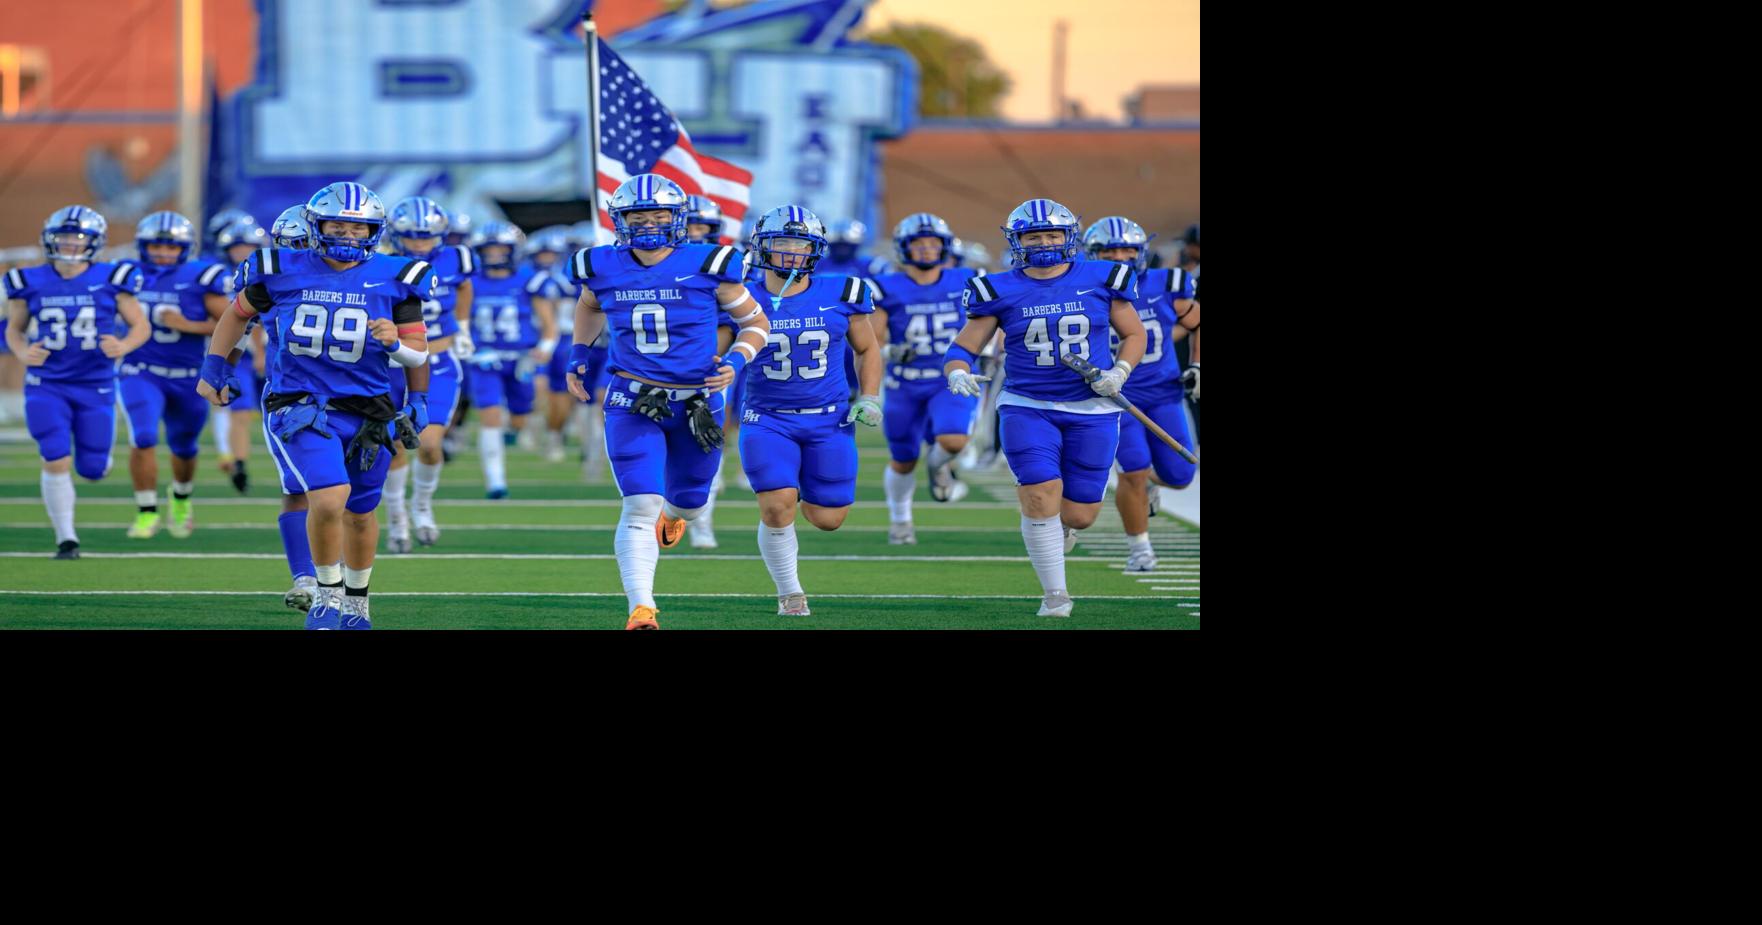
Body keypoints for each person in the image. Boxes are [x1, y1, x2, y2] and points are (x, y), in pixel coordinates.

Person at [199, 182, 433, 630]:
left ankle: (358, 604)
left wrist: (398, 352)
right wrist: (215, 366)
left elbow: (419, 353)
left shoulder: (398, 276)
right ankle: (326, 594)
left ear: (374, 230)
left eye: (357, 227)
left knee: (361, 514)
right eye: (337, 225)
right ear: (316, 225)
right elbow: (236, 314)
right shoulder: (278, 269)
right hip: (300, 404)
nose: (347, 235)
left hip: (369, 410)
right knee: (328, 499)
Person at [563, 173, 770, 630]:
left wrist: (737, 359)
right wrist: (579, 353)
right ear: (620, 221)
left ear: (679, 219)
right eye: (639, 216)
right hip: (631, 399)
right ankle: (642, 607)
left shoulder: (710, 263)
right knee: (640, 503)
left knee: (691, 502)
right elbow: (588, 304)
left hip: (698, 402)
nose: (650, 224)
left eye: (659, 215)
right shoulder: (600, 265)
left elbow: (756, 322)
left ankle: (677, 517)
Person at [942, 198, 1145, 618]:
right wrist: (958, 370)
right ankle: (1056, 595)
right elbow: (964, 346)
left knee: (1081, 514)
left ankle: (1064, 530)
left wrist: (1121, 371)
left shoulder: (1104, 277)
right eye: (1034, 235)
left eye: (1052, 233)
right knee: (1037, 493)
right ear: (1017, 241)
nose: (1045, 242)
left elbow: (1134, 334)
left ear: (1070, 237)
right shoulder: (998, 288)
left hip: (1093, 406)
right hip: (1027, 404)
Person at [737, 206, 883, 615]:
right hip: (766, 417)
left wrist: (869, 396)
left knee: (828, 518)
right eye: (780, 243)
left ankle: (797, 482)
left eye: (799, 244)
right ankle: (790, 593)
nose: (789, 252)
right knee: (777, 503)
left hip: (829, 418)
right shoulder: (740, 295)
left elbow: (868, 348)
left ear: (815, 250)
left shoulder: (843, 291)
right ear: (761, 247)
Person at [3, 205, 151, 559]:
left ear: (94, 244)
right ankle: (66, 538)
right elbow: (14, 329)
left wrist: (123, 345)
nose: (69, 246)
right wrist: (22, 352)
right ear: (49, 240)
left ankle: (97, 462)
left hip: (95, 383)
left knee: (93, 469)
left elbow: (140, 326)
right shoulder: (28, 280)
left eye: (78, 240)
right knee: (53, 454)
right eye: (64, 239)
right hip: (47, 383)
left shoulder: (113, 278)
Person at [1083, 217, 1200, 572]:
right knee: (1132, 471)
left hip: (1163, 393)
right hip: (1116, 397)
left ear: (1141, 252)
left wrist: (1196, 365)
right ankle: (1140, 548)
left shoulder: (1169, 283)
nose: (1119, 256)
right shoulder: (1081, 289)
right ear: (1093, 255)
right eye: (1110, 251)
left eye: (1127, 250)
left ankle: (1150, 480)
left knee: (1181, 475)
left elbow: (1196, 321)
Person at [868, 212, 986, 544]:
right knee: (903, 458)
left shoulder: (967, 279)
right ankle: (901, 519)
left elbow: (992, 321)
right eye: (918, 243)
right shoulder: (886, 287)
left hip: (950, 379)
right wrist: (892, 352)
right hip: (904, 381)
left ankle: (939, 468)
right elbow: (874, 340)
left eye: (933, 243)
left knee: (952, 441)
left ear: (945, 247)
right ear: (904, 248)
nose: (926, 250)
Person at [118, 211, 232, 539]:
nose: (163, 253)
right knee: (143, 436)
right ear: (142, 246)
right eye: (156, 246)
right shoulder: (127, 274)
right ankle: (146, 510)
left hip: (187, 374)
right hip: (141, 371)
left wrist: (188, 326)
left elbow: (232, 322)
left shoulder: (202, 276)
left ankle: (181, 498)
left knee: (184, 447)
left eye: (171, 247)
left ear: (186, 248)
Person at [380, 196, 475, 551]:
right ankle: (396, 517)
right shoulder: (383, 262)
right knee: (391, 446)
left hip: (437, 360)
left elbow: (465, 285)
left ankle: (421, 505)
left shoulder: (458, 257)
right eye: (413, 236)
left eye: (427, 236)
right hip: (391, 364)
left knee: (430, 444)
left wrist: (462, 328)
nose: (420, 244)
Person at [465, 221, 558, 498]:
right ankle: (496, 482)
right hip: (483, 358)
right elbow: (459, 318)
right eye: (488, 249)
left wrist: (547, 345)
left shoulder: (529, 279)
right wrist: (467, 345)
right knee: (490, 415)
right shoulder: (469, 282)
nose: (494, 254)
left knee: (521, 414)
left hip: (520, 358)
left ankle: (513, 430)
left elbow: (548, 322)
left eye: (500, 248)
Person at [212, 217, 271, 494]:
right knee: (240, 411)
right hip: (239, 354)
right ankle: (239, 462)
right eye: (237, 247)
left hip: (275, 351)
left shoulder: (271, 272)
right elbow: (242, 318)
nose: (242, 252)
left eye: (248, 246)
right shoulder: (220, 278)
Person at [526, 225, 578, 464]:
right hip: (534, 339)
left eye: (550, 254)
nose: (546, 259)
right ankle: (533, 425)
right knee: (536, 389)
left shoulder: (569, 279)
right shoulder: (529, 277)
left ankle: (555, 434)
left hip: (565, 339)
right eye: (542, 254)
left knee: (561, 393)